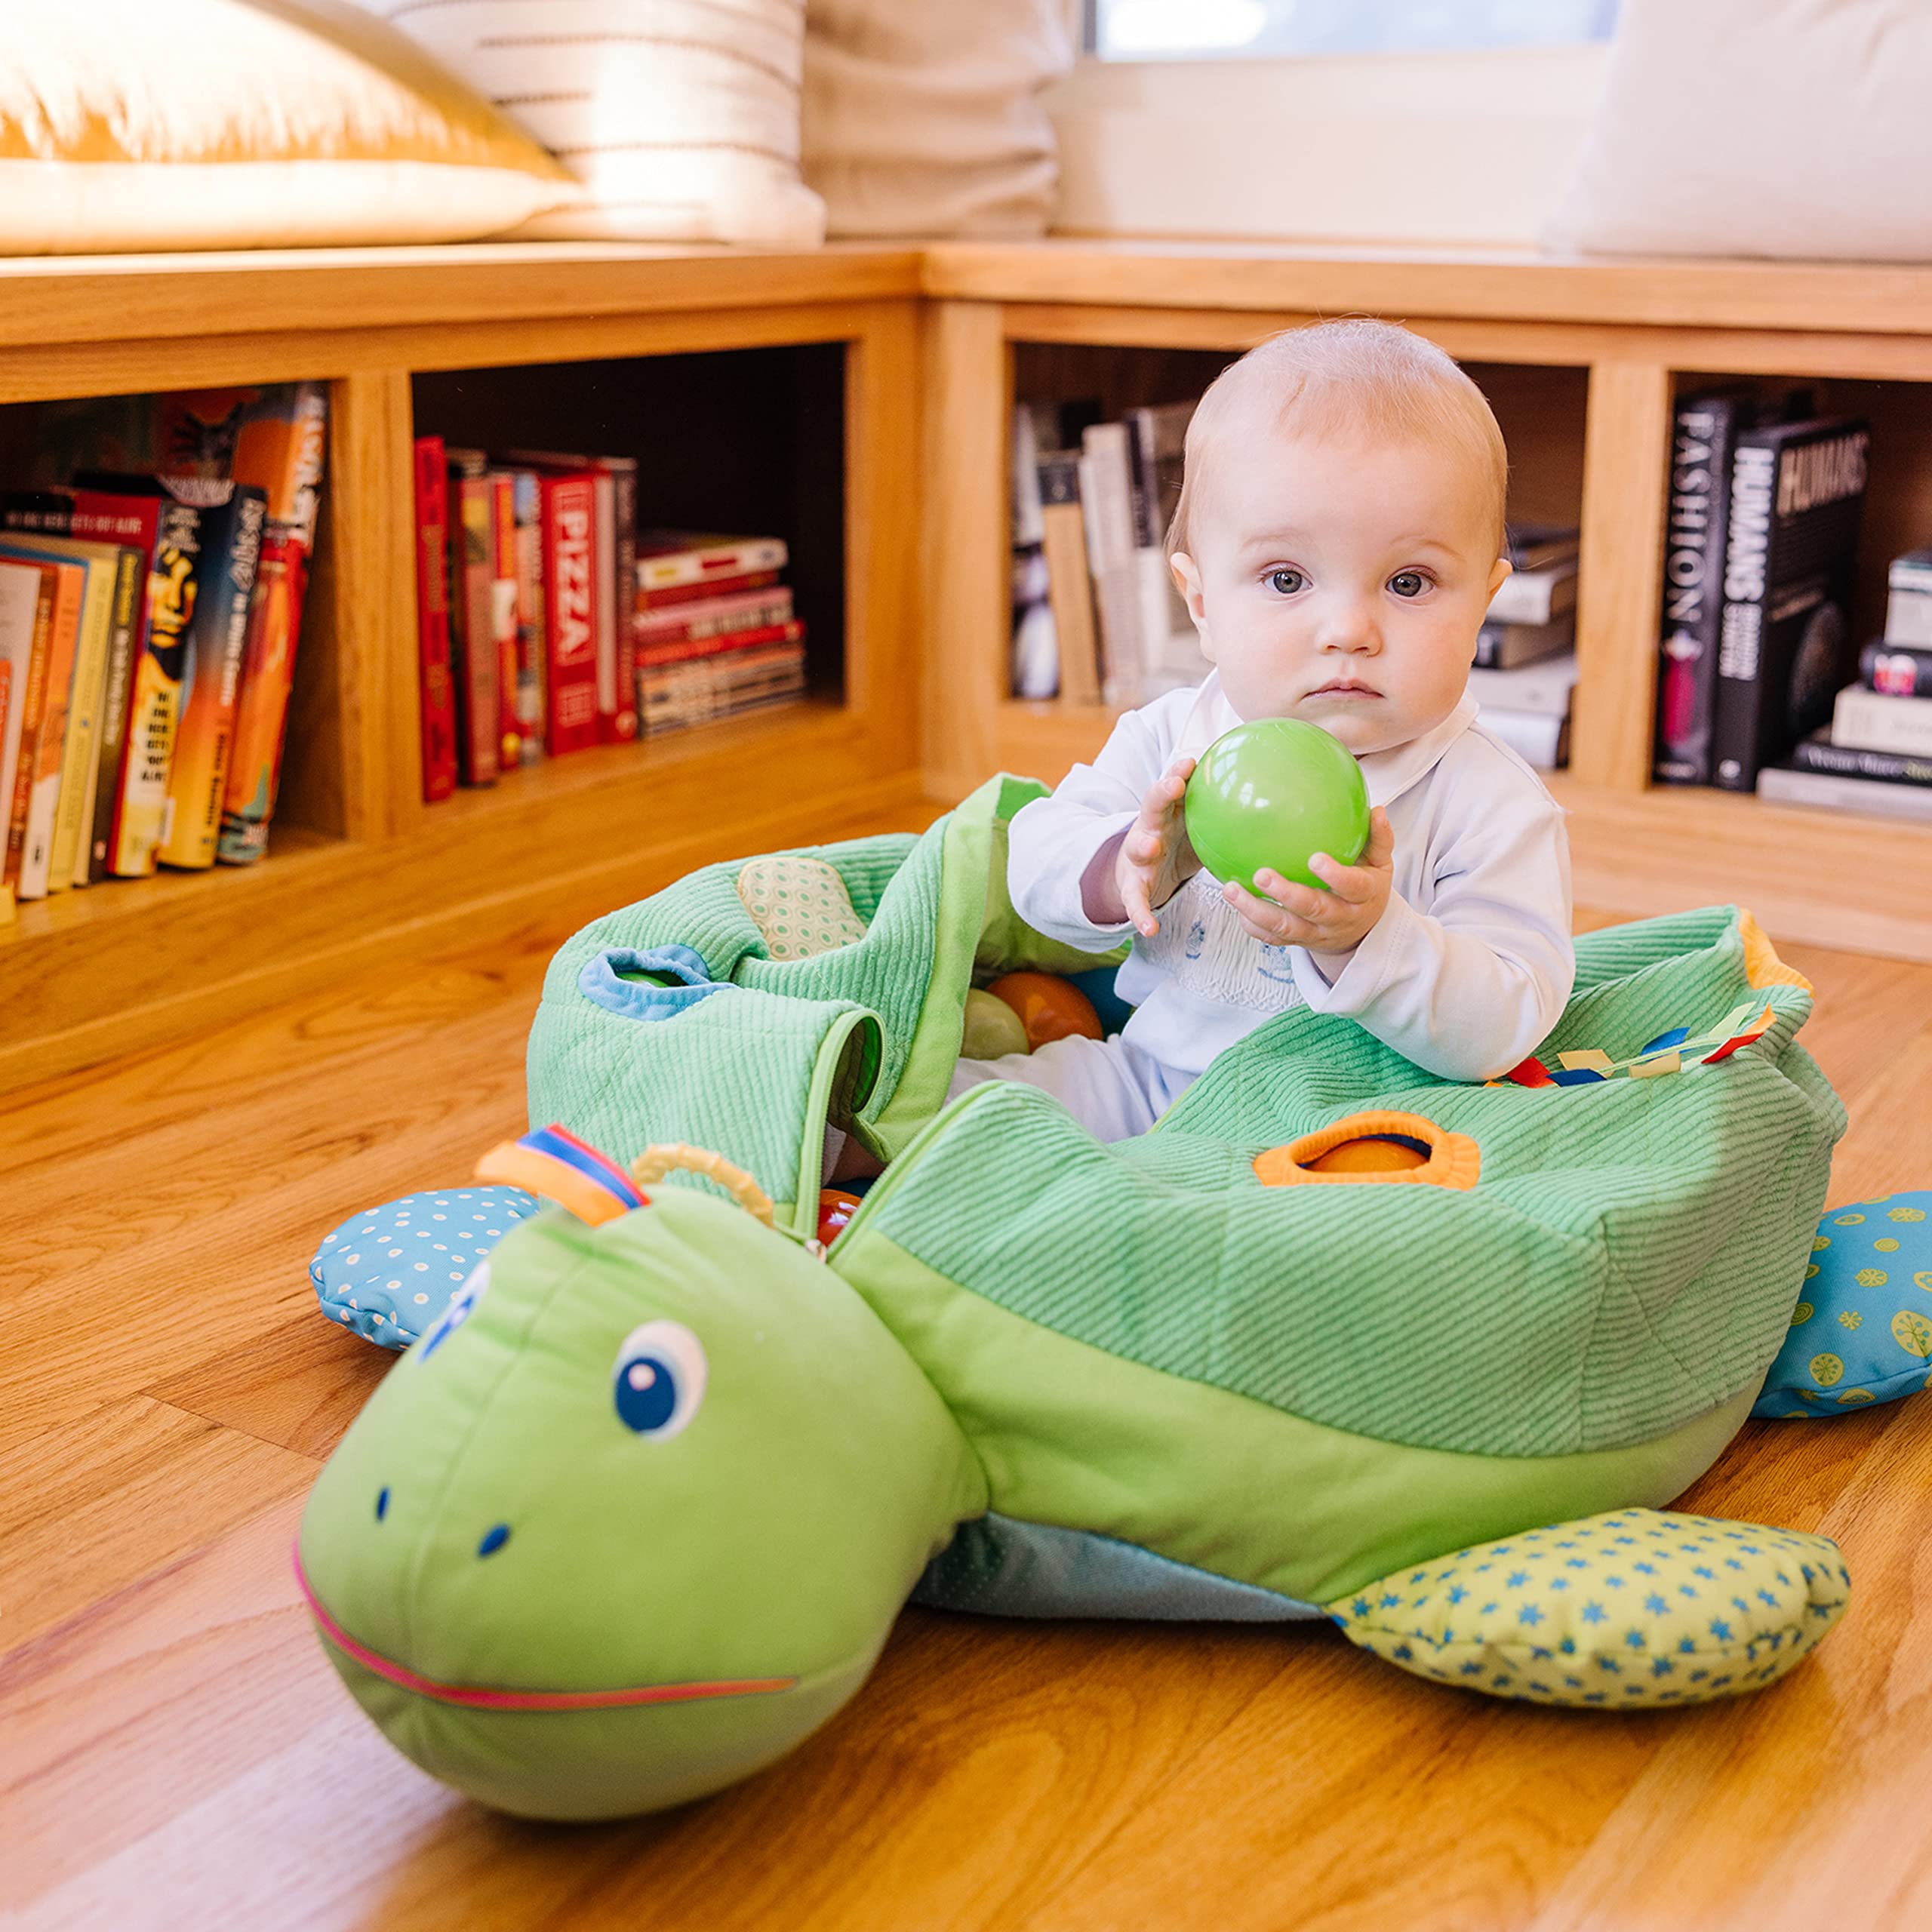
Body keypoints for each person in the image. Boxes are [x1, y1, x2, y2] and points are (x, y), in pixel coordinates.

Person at [966, 318, 1575, 1141]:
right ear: (1202, 603)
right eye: (1286, 577)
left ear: (1484, 604)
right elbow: (1033, 864)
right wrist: (1125, 862)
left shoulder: (1489, 800)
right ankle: (809, 1139)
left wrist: (1371, 939)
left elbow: (1510, 1016)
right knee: (969, 1107)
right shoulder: (1171, 737)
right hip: (1153, 1086)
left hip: (1353, 1136)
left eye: (1409, 580)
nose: (1348, 629)